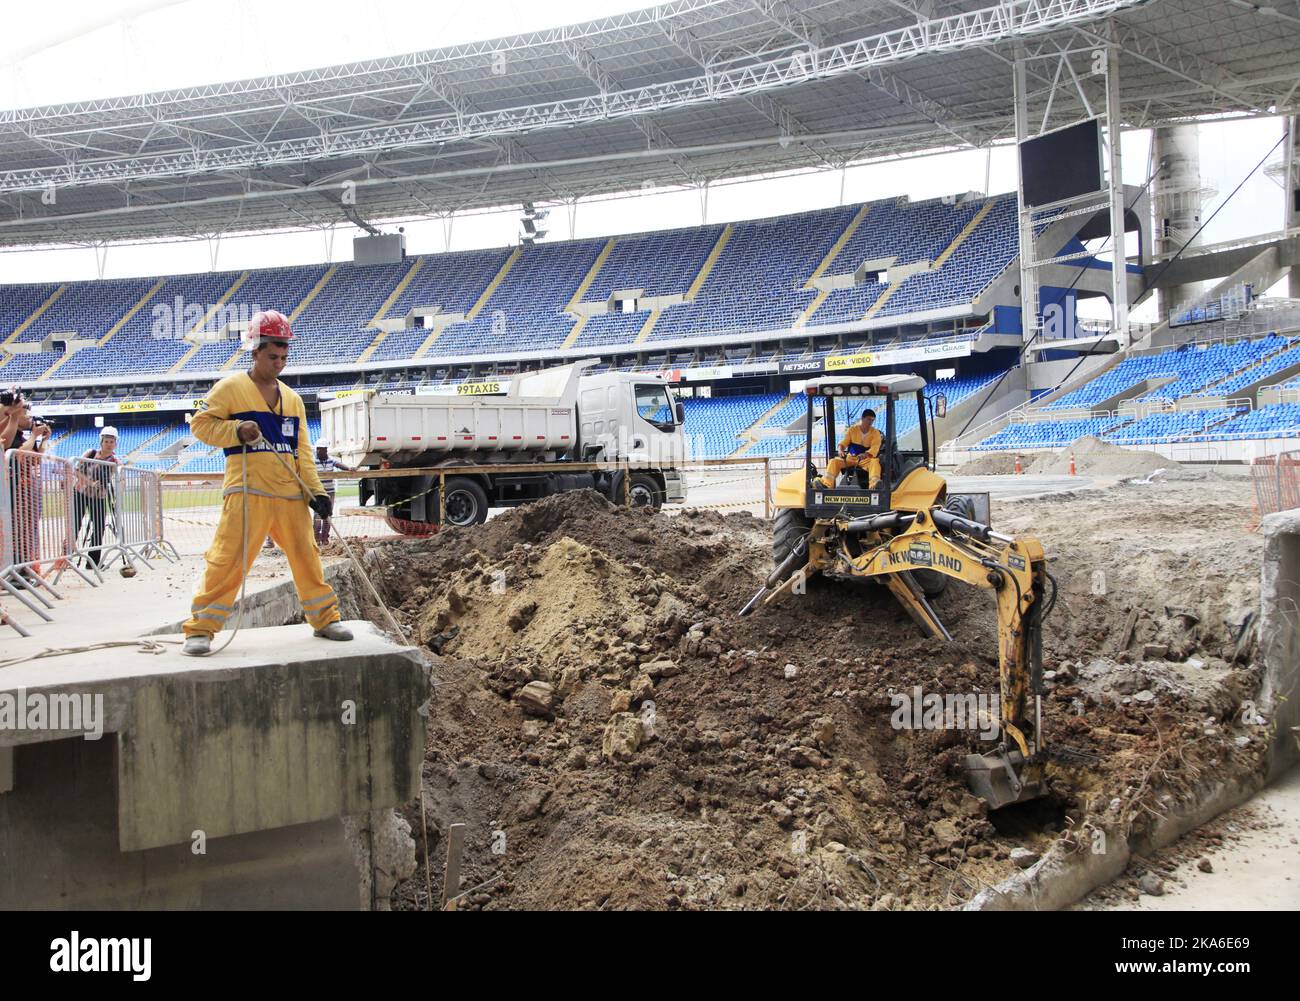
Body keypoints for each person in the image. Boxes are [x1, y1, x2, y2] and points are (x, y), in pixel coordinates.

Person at [181, 310, 351, 655]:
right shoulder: (230, 389)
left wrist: (316, 492)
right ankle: (200, 630)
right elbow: (200, 425)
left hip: (289, 496)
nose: (279, 363)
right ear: (254, 351)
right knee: (227, 560)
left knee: (307, 557)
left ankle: (324, 618)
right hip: (248, 493)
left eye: (284, 357)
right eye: (273, 356)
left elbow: (301, 451)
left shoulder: (292, 400)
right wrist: (235, 430)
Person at [1, 391, 51, 588]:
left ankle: (22, 568)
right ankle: (15, 571)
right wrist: (33, 436)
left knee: (24, 530)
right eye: (25, 414)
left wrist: (42, 440)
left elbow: (34, 459)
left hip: (21, 488)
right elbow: (18, 455)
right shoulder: (11, 430)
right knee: (14, 530)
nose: (30, 418)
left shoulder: (21, 434)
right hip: (10, 487)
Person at [72, 426, 120, 569]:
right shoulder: (90, 453)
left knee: (99, 528)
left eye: (111, 441)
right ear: (101, 441)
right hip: (80, 493)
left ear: (115, 443)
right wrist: (90, 482)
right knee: (75, 525)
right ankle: (65, 556)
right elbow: (76, 470)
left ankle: (93, 562)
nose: (109, 444)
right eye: (106, 441)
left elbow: (119, 477)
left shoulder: (115, 461)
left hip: (99, 496)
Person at [818, 408, 882, 489]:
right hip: (850, 458)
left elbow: (875, 447)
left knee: (875, 462)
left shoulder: (876, 433)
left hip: (866, 460)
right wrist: (840, 450)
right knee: (833, 461)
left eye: (872, 420)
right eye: (868, 419)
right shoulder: (852, 430)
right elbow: (843, 443)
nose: (870, 422)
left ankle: (874, 485)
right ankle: (826, 484)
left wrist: (865, 454)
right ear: (862, 418)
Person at [311, 438, 347, 547]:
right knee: (317, 515)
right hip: (317, 492)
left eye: (323, 449)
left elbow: (339, 465)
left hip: (330, 492)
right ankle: (316, 538)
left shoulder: (331, 460)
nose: (320, 451)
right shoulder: (312, 461)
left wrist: (349, 468)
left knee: (328, 514)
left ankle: (325, 538)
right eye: (319, 449)